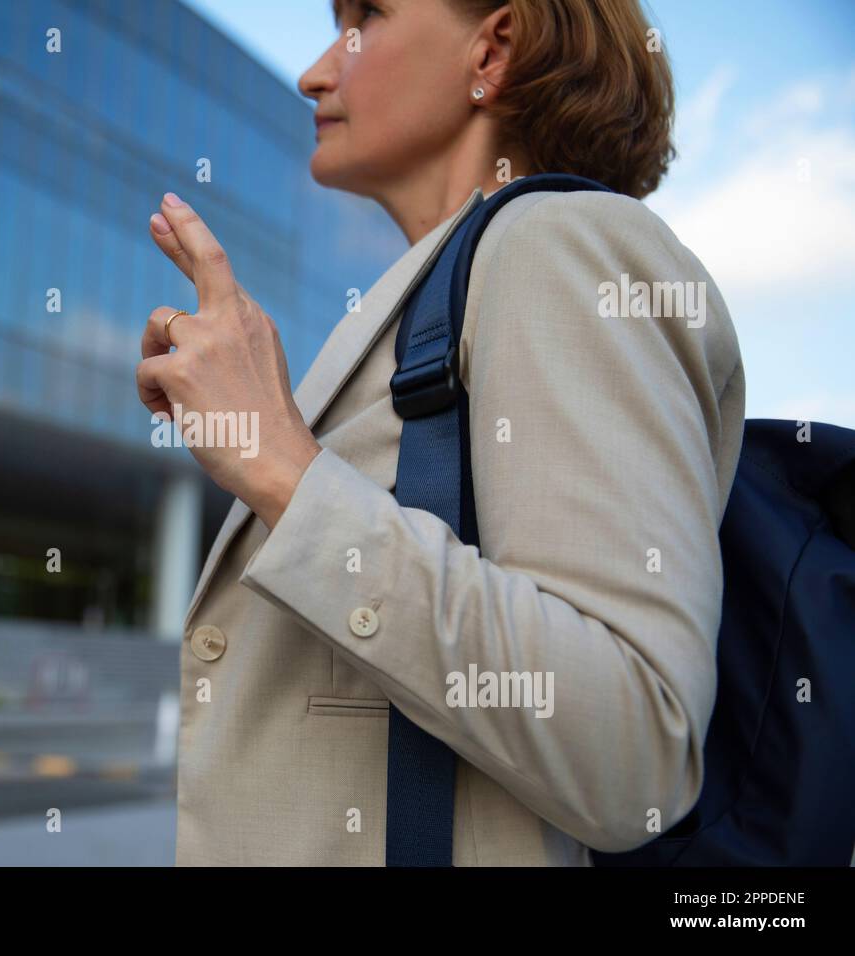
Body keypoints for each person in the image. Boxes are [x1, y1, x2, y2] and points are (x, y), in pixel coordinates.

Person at [135, 0, 745, 865]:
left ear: (492, 49)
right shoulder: (449, 293)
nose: (316, 70)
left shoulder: (562, 244)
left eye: (364, 18)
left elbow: (636, 747)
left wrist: (278, 462)